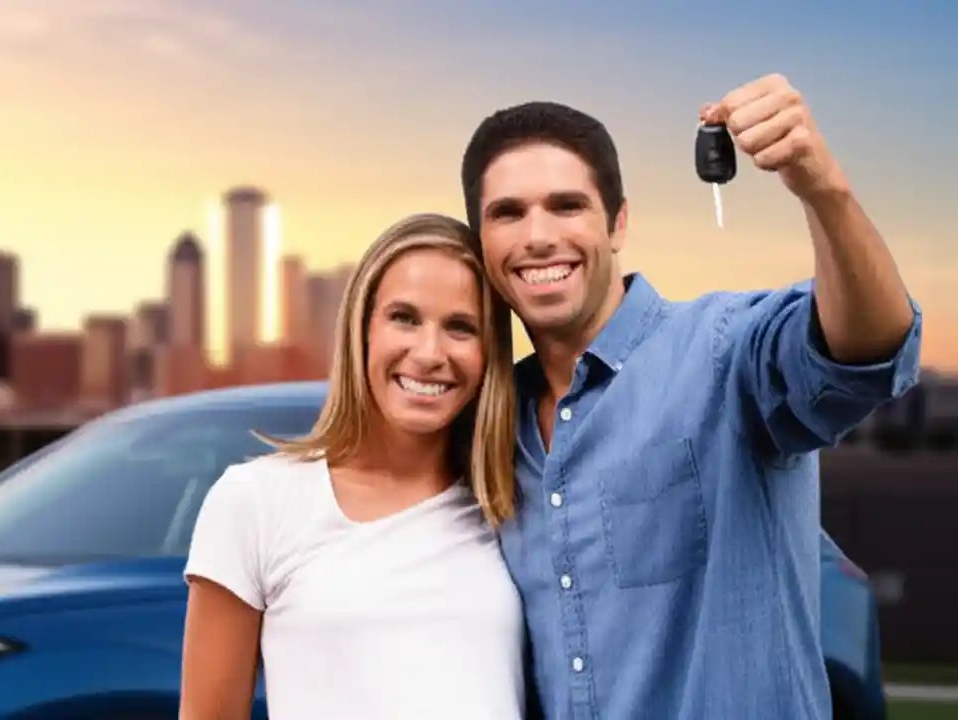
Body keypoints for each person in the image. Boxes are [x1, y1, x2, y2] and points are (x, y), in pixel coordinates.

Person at [459, 72, 923, 719]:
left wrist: (822, 188)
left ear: (618, 222)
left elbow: (866, 349)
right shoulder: (488, 426)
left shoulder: (723, 351)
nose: (537, 235)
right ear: (483, 243)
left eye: (566, 206)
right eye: (507, 212)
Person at [179, 213, 529, 720]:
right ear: (362, 329)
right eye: (405, 318)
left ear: (488, 353)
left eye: (460, 327)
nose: (429, 353)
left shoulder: (511, 504)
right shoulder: (256, 501)